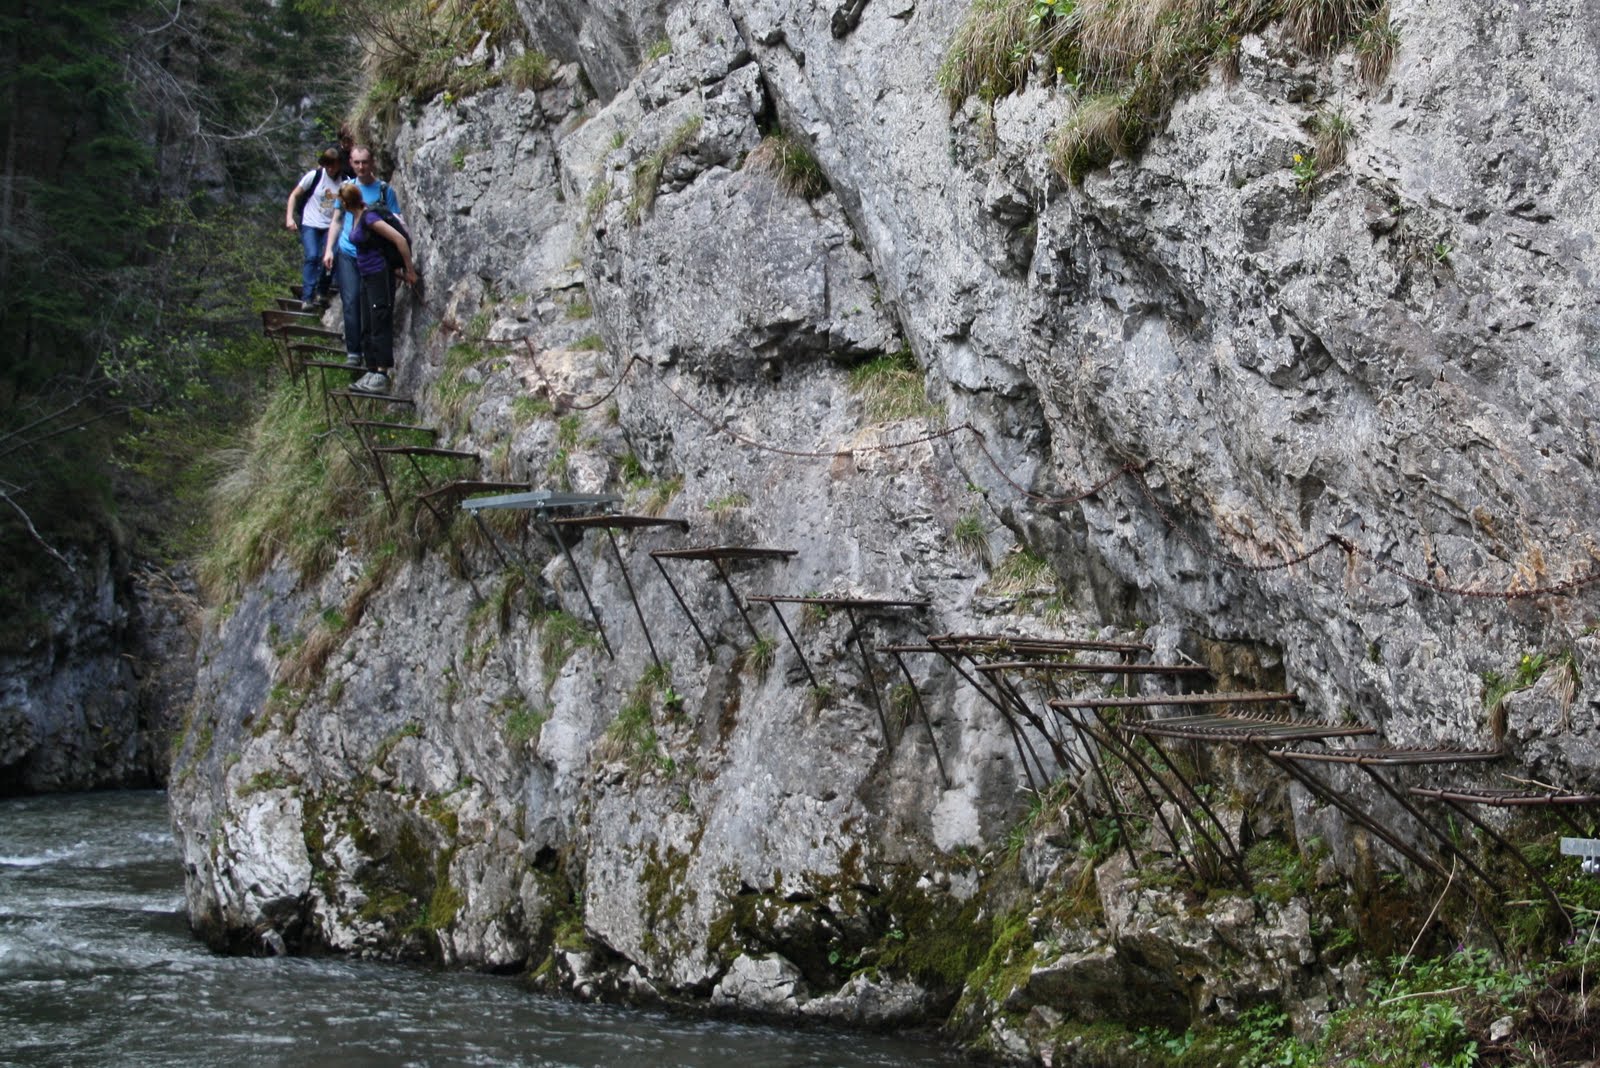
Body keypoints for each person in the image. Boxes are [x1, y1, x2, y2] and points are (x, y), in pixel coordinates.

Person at [322, 145, 401, 368]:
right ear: (351, 162)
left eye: (364, 162)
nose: (360, 167)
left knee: (372, 308)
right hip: (349, 252)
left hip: (375, 258)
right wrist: (329, 249)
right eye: (356, 162)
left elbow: (397, 222)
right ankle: (354, 352)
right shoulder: (347, 189)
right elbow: (337, 219)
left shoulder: (385, 191)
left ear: (372, 162)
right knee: (351, 300)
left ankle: (373, 362)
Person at [339, 184, 418, 394]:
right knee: (367, 323)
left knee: (380, 319)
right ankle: (372, 368)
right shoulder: (358, 217)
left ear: (346, 202)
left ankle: (382, 373)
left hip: (378, 275)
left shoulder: (369, 217)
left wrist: (409, 270)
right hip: (366, 275)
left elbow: (399, 240)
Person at [284, 148, 344, 310]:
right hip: (310, 223)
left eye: (333, 165)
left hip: (331, 226)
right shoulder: (315, 176)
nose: (330, 168)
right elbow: (294, 195)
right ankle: (307, 298)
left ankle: (322, 291)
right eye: (327, 164)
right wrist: (289, 218)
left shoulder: (345, 182)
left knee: (331, 256)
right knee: (312, 256)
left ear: (339, 164)